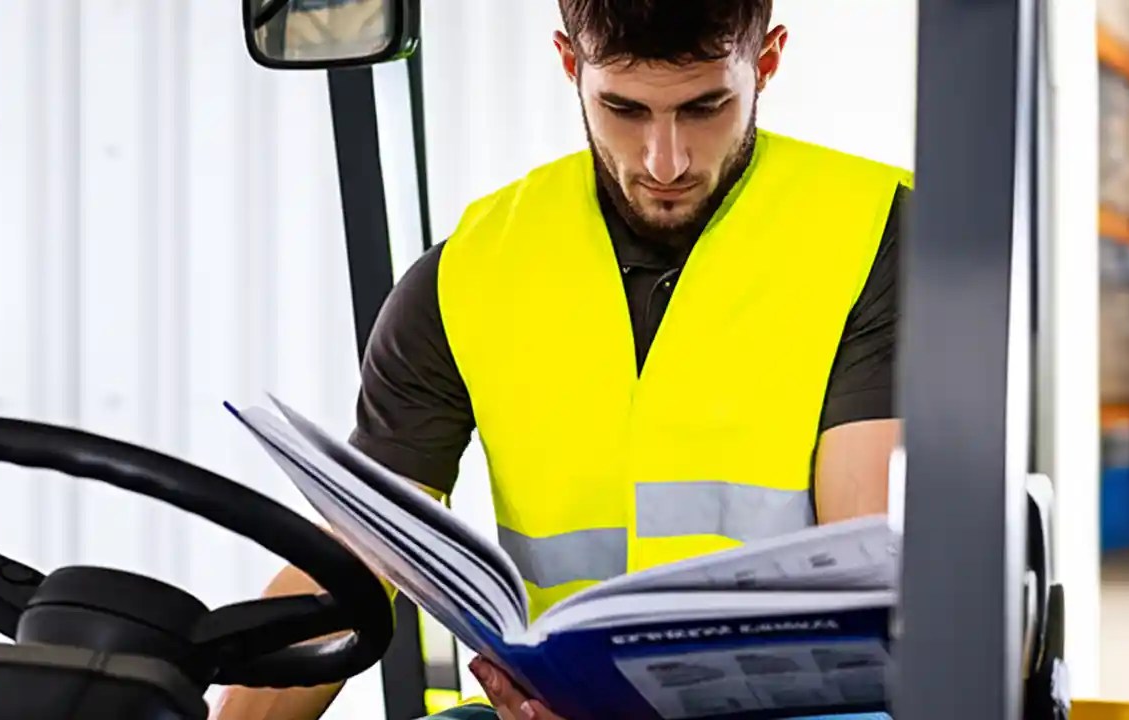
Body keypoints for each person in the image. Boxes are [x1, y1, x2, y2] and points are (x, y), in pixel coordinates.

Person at [211, 1, 910, 718]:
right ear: (570, 64)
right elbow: (358, 559)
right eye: (624, 109)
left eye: (705, 108)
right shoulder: (471, 272)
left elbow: (860, 587)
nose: (664, 160)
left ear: (765, 63)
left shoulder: (871, 238)